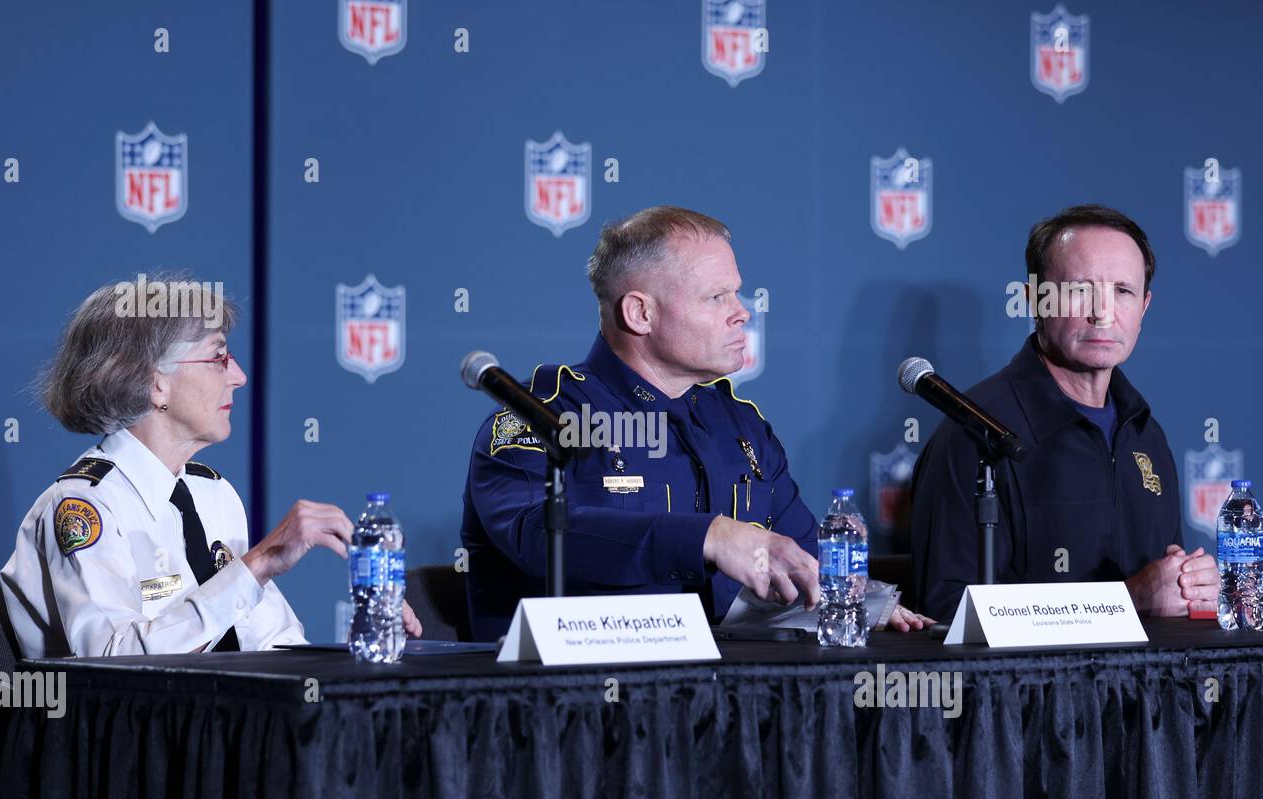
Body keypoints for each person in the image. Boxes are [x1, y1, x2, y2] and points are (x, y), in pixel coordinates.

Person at [461, 205, 934, 639]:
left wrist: (850, 596)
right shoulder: (543, 414)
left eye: (737, 291)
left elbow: (802, 556)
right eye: (716, 296)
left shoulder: (740, 425)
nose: (742, 311)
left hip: (726, 705)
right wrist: (710, 536)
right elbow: (535, 536)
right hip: (570, 708)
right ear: (640, 313)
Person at [1, 277, 421, 657]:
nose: (238, 376)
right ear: (155, 382)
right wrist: (261, 561)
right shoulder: (82, 506)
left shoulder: (211, 493)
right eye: (218, 358)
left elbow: (271, 643)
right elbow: (116, 660)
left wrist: (368, 640)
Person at [910, 205, 1220, 620]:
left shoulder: (1146, 434)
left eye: (1122, 292)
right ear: (1033, 300)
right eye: (1078, 290)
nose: (1103, 312)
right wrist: (1127, 601)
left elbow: (1161, 591)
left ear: (1144, 308)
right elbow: (945, 613)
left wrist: (1187, 584)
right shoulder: (974, 434)